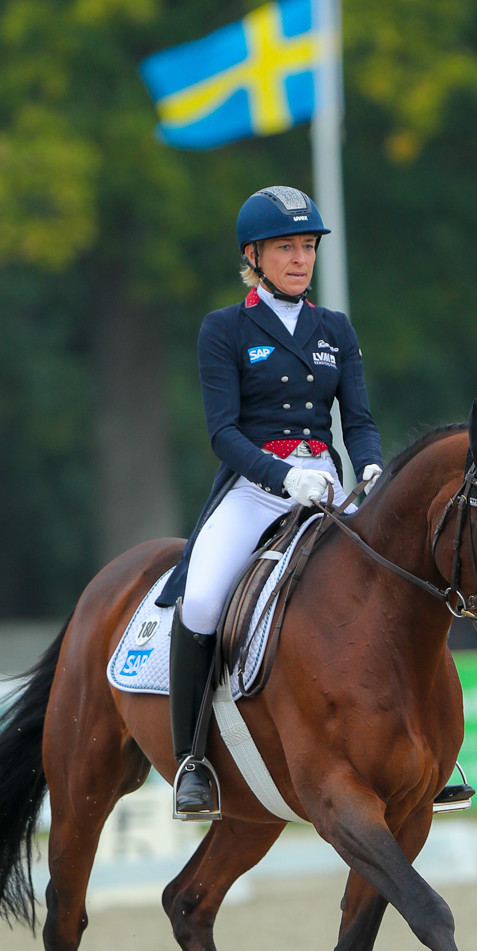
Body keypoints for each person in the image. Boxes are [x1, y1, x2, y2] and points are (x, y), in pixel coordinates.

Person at [159, 184, 384, 816]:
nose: (300, 259)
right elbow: (222, 434)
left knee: (403, 575)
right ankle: (193, 761)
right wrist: (282, 479)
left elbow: (358, 419)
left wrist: (368, 464)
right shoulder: (224, 329)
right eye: (286, 247)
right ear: (254, 255)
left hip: (329, 486)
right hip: (259, 489)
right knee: (201, 600)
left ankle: (434, 747)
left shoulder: (334, 329)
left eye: (308, 247)